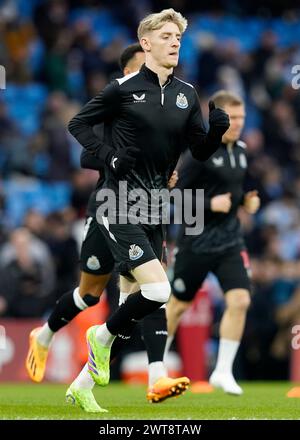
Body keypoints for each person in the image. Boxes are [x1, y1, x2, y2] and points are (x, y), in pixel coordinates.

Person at [67, 8, 229, 412]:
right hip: (117, 202)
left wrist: (216, 134)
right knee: (157, 291)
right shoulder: (121, 89)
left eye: (179, 36)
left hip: (155, 206)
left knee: (141, 300)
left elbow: (199, 150)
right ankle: (100, 338)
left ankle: (82, 384)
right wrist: (109, 157)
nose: (175, 42)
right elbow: (78, 125)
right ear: (146, 43)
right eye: (168, 36)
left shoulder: (186, 94)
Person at [25, 43, 184, 412]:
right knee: (90, 294)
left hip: (148, 209)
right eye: (142, 66)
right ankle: (45, 334)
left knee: (142, 292)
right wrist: (116, 158)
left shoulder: (162, 107)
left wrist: (165, 175)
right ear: (127, 72)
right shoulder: (117, 103)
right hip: (108, 207)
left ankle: (147, 376)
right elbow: (84, 153)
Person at [166, 90, 260, 395]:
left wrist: (246, 202)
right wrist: (209, 204)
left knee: (240, 300)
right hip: (196, 242)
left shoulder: (242, 150)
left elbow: (233, 190)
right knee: (177, 306)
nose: (238, 123)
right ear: (216, 119)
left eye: (242, 117)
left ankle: (222, 371)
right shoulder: (198, 152)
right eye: (231, 118)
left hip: (230, 242)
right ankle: (158, 365)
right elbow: (174, 196)